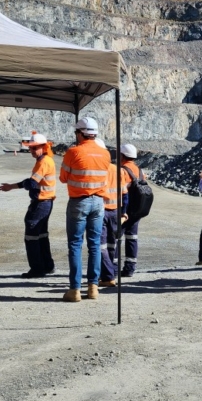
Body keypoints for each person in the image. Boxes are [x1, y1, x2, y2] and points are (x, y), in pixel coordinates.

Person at [60, 118, 110, 302]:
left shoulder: (73, 152)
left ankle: (75, 290)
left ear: (81, 133)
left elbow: (63, 178)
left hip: (78, 202)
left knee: (75, 244)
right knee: (94, 245)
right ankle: (93, 288)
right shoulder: (105, 154)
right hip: (98, 202)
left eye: (76, 132)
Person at [0, 133, 56, 278]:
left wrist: (12, 186)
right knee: (41, 235)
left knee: (32, 235)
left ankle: (37, 268)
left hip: (41, 203)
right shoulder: (46, 160)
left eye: (34, 148)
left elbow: (32, 183)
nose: (31, 151)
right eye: (31, 148)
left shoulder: (43, 162)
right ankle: (47, 265)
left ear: (43, 147)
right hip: (46, 202)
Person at [98, 140, 124, 287]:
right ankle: (112, 271)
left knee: (101, 246)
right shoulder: (118, 170)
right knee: (112, 244)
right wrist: (123, 212)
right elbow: (125, 194)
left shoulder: (99, 170)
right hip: (116, 210)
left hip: (101, 211)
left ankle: (108, 276)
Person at [118, 144, 144, 277]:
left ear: (122, 156)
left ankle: (113, 268)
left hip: (124, 209)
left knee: (116, 237)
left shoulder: (122, 170)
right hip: (136, 209)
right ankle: (129, 268)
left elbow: (121, 192)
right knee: (132, 237)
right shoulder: (139, 170)